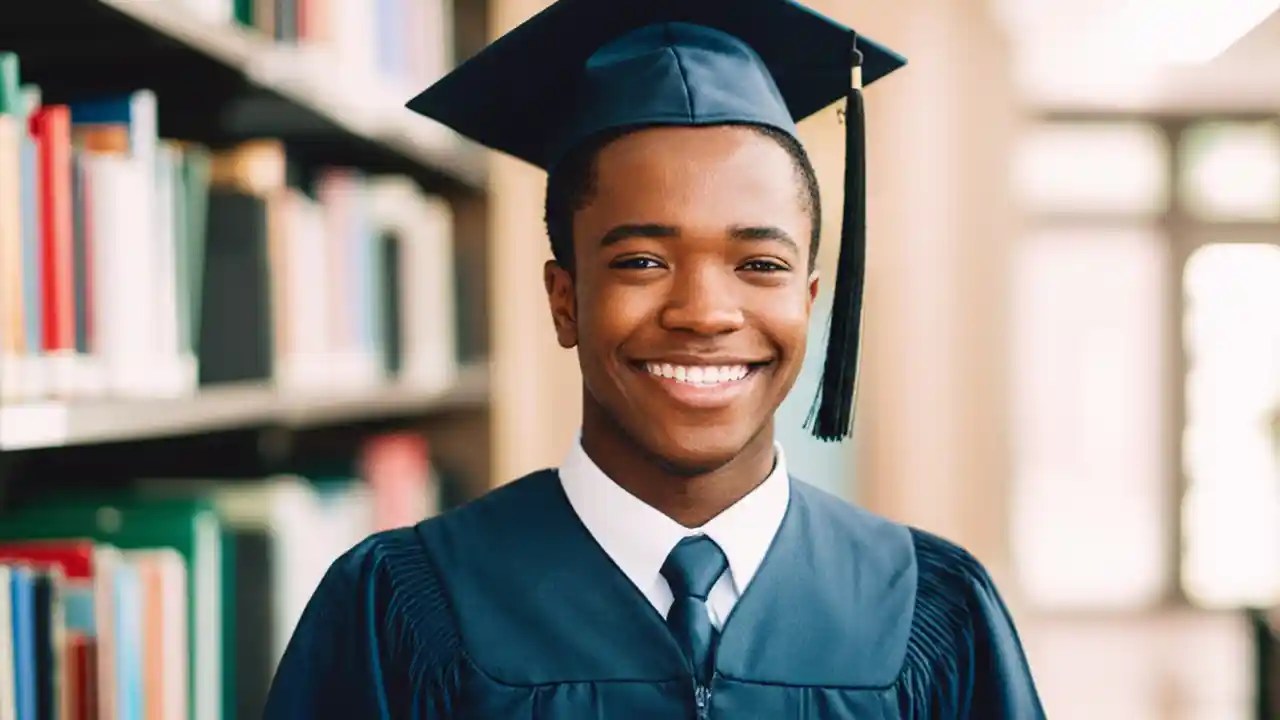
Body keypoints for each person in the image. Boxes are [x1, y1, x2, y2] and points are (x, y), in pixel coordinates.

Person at [263, 0, 1046, 717]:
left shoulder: (932, 611)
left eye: (759, 265)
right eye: (642, 261)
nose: (704, 312)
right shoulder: (402, 608)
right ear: (565, 300)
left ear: (810, 299)